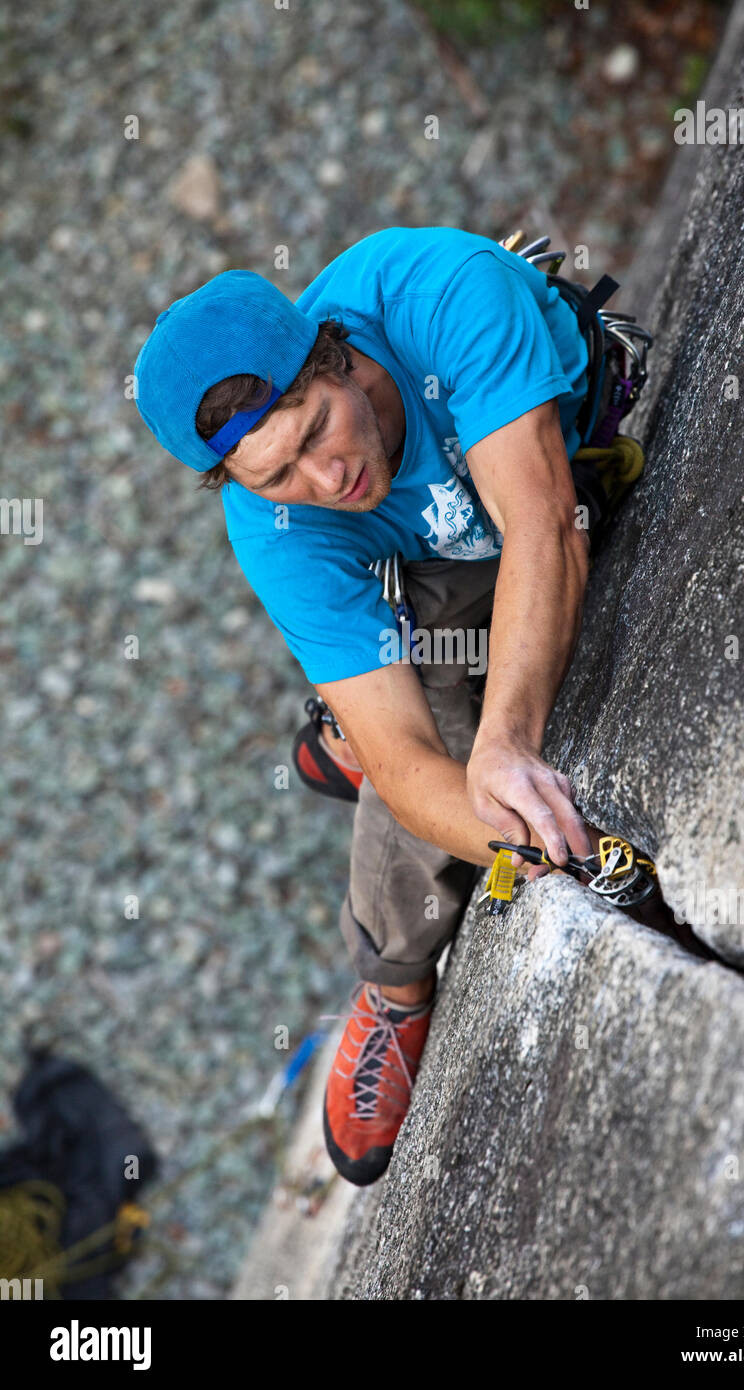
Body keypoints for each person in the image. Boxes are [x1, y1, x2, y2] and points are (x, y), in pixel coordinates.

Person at [133, 225, 638, 1187]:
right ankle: (398, 983)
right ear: (233, 482)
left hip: (525, 488)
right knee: (420, 741)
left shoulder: (442, 294)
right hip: (419, 579)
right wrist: (530, 844)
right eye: (276, 473)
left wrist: (506, 749)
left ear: (334, 351)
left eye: (319, 429)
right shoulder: (273, 522)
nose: (325, 480)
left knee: (470, 723)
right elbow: (408, 773)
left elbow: (545, 529)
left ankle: (338, 734)